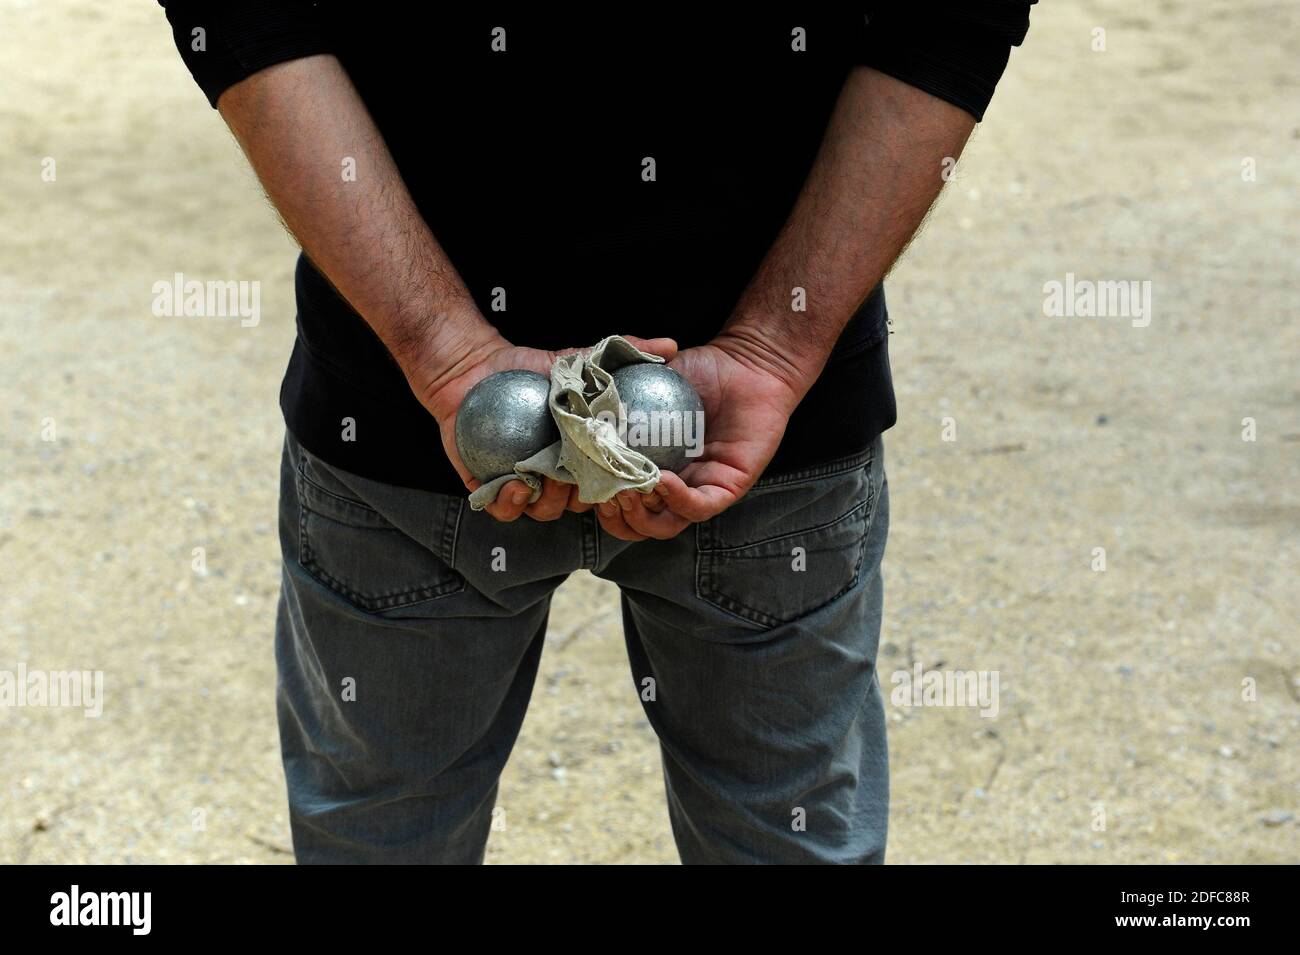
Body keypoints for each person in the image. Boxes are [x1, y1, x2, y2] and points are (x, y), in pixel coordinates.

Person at [162, 3, 1033, 864]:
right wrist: (776, 345)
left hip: (423, 418)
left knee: (380, 836)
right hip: (744, 428)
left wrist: (443, 350)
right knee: (786, 838)